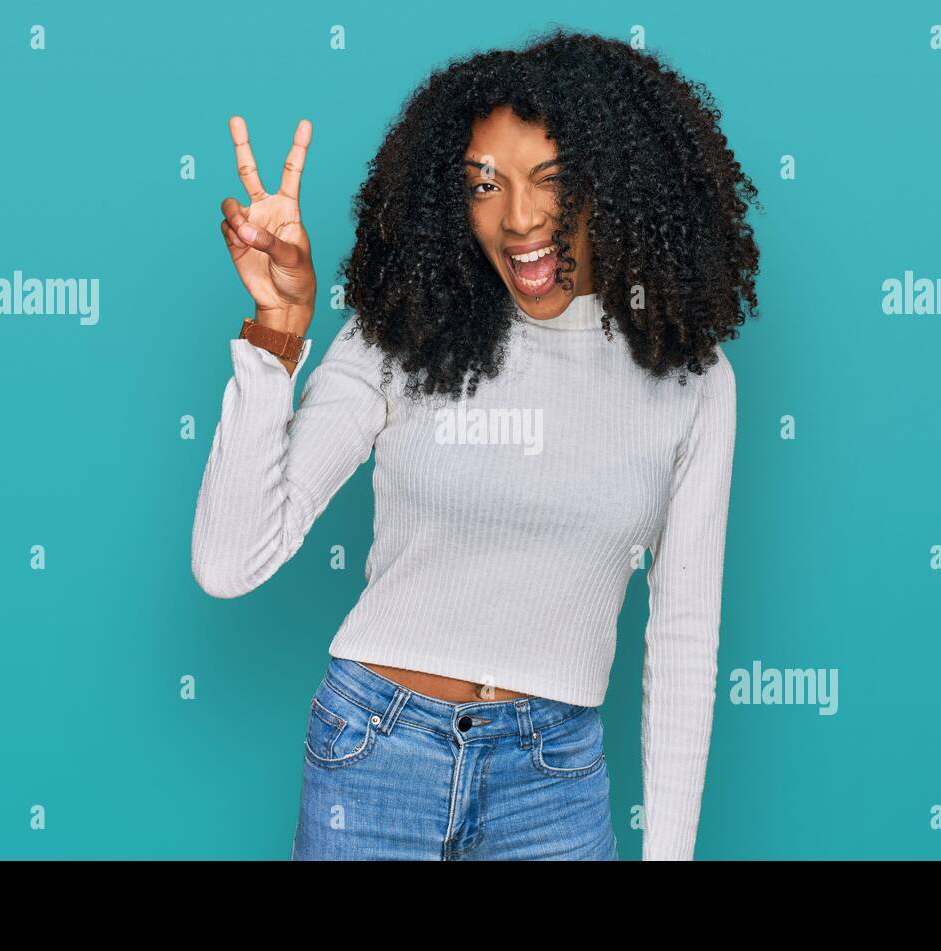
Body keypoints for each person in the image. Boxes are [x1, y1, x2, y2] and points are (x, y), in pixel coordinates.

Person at [191, 28, 759, 860]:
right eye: (484, 184)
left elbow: (682, 642)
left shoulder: (692, 381)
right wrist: (278, 333)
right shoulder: (402, 335)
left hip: (552, 782)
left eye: (551, 180)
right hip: (372, 753)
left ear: (619, 180)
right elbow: (229, 559)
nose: (519, 217)